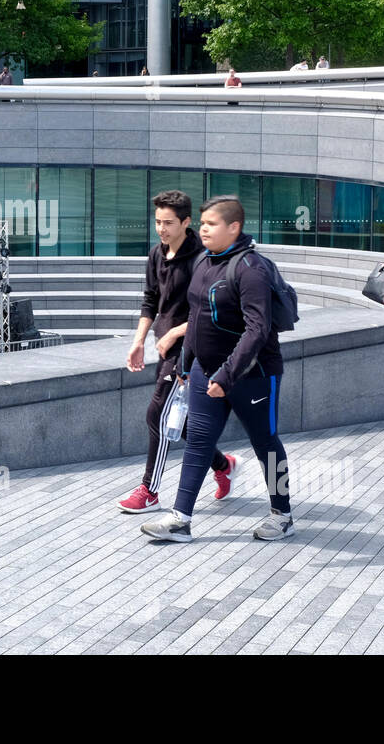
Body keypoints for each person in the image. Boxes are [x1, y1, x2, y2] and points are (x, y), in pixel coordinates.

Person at [140, 196, 294, 543]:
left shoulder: (250, 268)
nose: (204, 229)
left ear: (234, 227)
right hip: (203, 372)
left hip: (253, 376)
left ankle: (282, 514)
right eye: (203, 223)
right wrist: (185, 364)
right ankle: (180, 519)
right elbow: (196, 317)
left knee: (265, 442)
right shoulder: (205, 263)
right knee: (197, 440)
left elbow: (257, 330)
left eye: (211, 224)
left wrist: (226, 376)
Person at [119, 191, 236, 514]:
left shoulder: (202, 257)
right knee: (180, 423)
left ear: (186, 222)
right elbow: (150, 301)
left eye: (168, 222)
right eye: (157, 222)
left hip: (192, 349)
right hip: (165, 348)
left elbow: (210, 310)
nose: (161, 228)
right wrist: (139, 341)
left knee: (156, 415)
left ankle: (150, 491)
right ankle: (223, 465)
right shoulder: (157, 254)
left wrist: (174, 332)